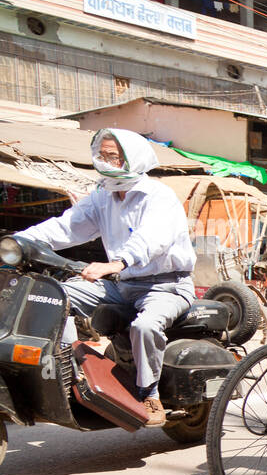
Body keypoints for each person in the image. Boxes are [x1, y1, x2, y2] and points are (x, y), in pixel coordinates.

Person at [17, 128, 196, 427]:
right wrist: (18, 242)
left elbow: (152, 238)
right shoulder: (103, 195)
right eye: (101, 155)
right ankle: (69, 371)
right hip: (119, 285)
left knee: (145, 326)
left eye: (112, 156)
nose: (104, 162)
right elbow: (65, 227)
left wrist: (117, 262)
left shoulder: (159, 196)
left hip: (165, 285)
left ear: (133, 159)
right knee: (52, 295)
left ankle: (150, 394)